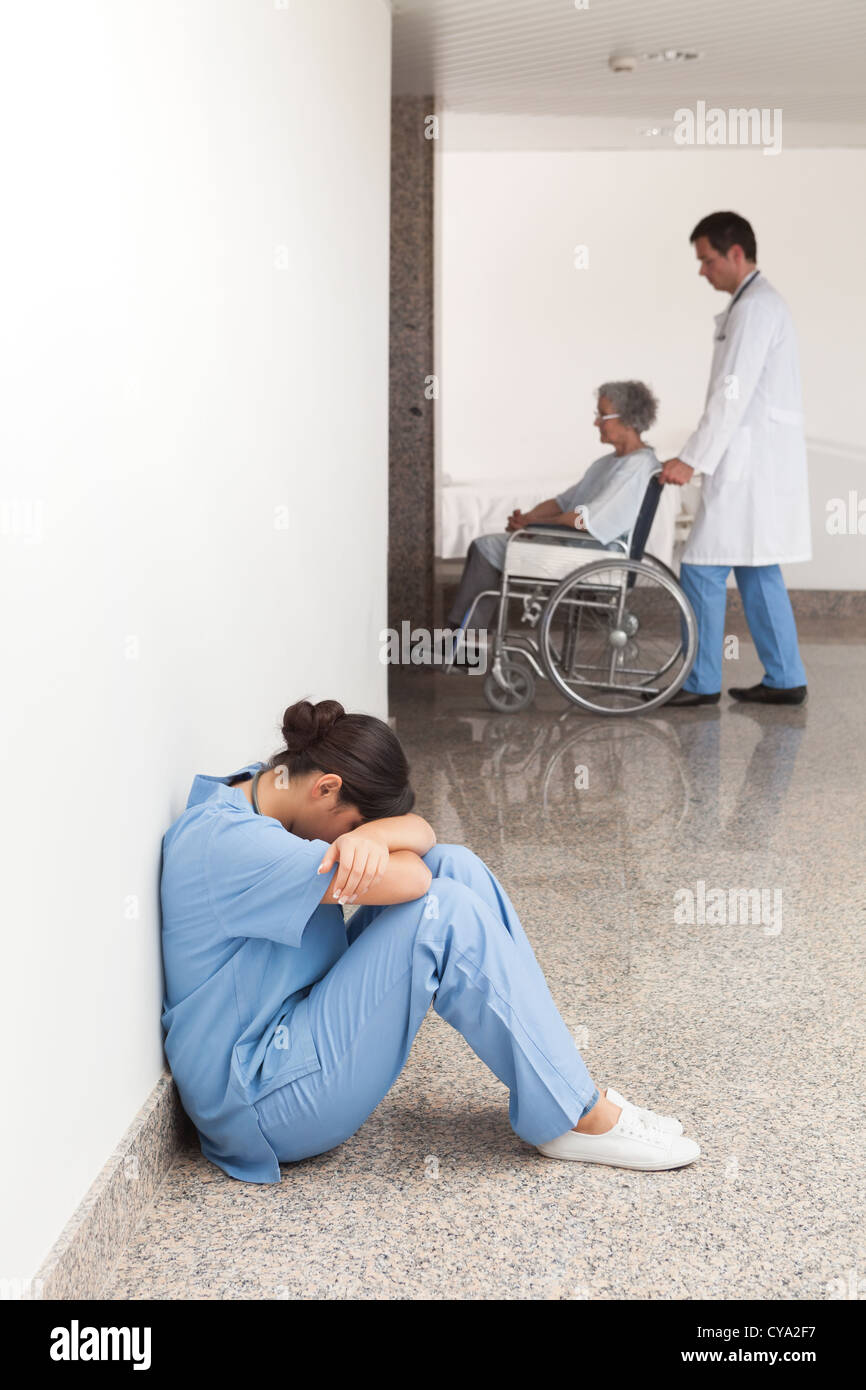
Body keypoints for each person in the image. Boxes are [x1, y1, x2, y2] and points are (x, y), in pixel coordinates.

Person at [160, 698, 701, 1182]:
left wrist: (370, 832)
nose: (351, 842)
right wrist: (374, 840)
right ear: (325, 788)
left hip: (295, 1030)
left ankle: (567, 1089)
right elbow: (412, 881)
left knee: (454, 865)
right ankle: (574, 1115)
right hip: (262, 1101)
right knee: (441, 910)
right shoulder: (230, 845)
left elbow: (425, 838)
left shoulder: (266, 790)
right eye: (352, 827)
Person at [660, 211, 810, 707]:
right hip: (755, 464)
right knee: (756, 566)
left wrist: (691, 460)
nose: (703, 272)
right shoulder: (756, 305)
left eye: (706, 261)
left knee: (701, 568)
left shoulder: (755, 310)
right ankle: (786, 677)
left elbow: (730, 398)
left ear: (736, 254)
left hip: (750, 466)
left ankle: (701, 681)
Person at [446, 381, 661, 634]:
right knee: (489, 546)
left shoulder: (636, 467)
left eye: (602, 415)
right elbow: (562, 502)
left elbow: (584, 521)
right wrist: (528, 517)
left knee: (486, 548)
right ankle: (463, 640)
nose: (596, 422)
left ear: (627, 418)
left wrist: (534, 526)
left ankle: (463, 644)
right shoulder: (607, 463)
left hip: (593, 555)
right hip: (575, 547)